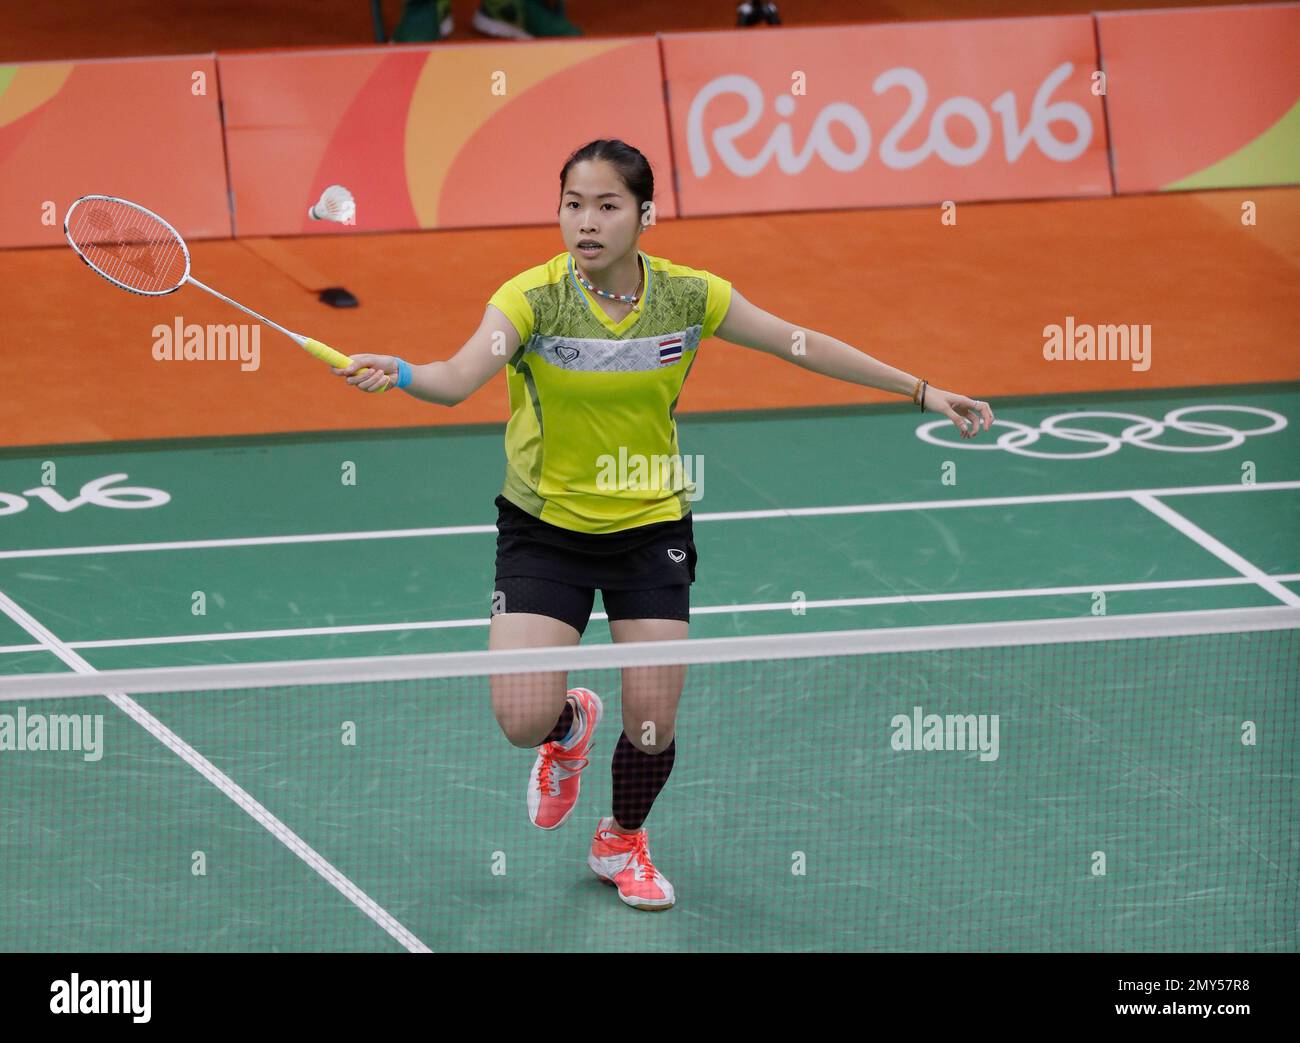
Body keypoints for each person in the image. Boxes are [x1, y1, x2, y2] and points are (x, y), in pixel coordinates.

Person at [334, 139, 994, 912]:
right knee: (519, 720)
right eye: (572, 204)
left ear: (646, 214)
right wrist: (404, 371)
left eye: (607, 206)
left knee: (651, 724)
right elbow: (454, 379)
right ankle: (568, 724)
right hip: (546, 528)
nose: (586, 222)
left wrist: (921, 389)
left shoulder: (689, 297)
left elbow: (800, 342)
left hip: (650, 526)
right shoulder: (531, 300)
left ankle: (622, 838)